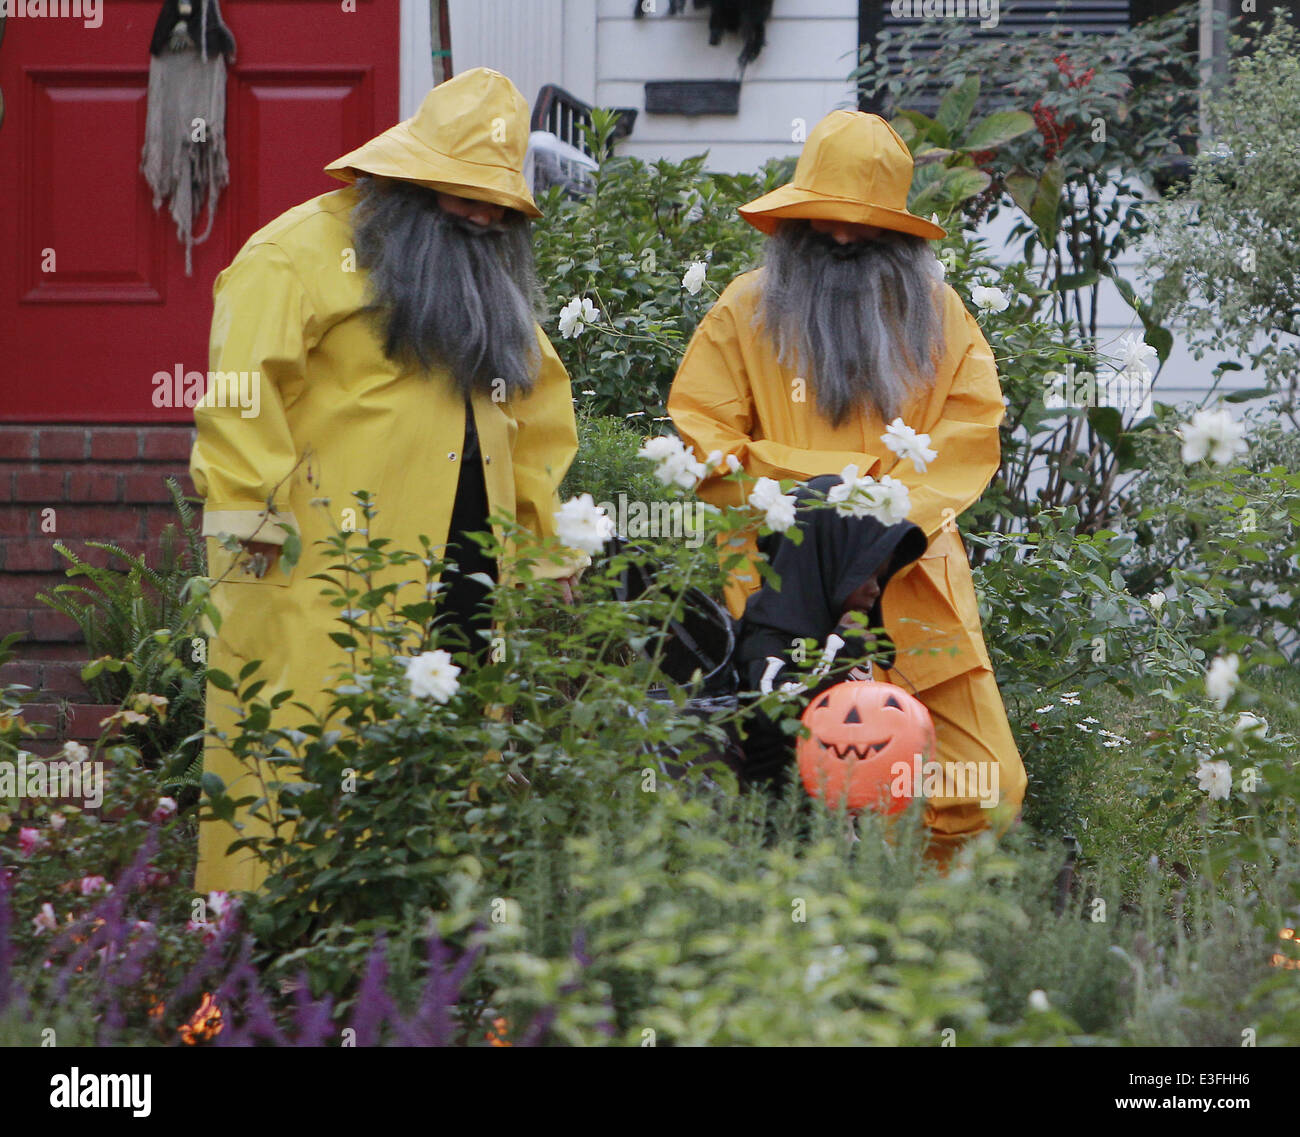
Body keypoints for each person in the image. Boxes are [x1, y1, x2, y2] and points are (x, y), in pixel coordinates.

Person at [190, 68, 583, 893]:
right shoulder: (291, 254)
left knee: (451, 782)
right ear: (406, 179)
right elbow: (237, 400)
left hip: (471, 581)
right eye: (459, 195)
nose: (480, 217)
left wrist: (545, 552)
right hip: (321, 582)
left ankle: (430, 980)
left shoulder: (488, 273)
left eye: (498, 205)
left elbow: (539, 415)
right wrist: (250, 545)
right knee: (298, 779)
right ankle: (270, 984)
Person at [667, 110, 1027, 860]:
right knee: (783, 787)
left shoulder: (942, 318)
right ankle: (801, 950)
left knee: (982, 787)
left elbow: (968, 437)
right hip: (774, 584)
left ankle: (917, 945)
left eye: (862, 226)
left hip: (908, 580)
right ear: (796, 218)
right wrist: (840, 504)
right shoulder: (742, 308)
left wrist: (876, 546)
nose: (839, 239)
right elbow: (706, 441)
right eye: (824, 220)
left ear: (897, 233)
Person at [732, 475, 926, 788]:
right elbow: (771, 710)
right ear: (825, 563)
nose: (876, 590)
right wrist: (840, 653)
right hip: (781, 821)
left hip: (837, 819)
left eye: (882, 577)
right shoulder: (771, 632)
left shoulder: (838, 631)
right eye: (867, 575)